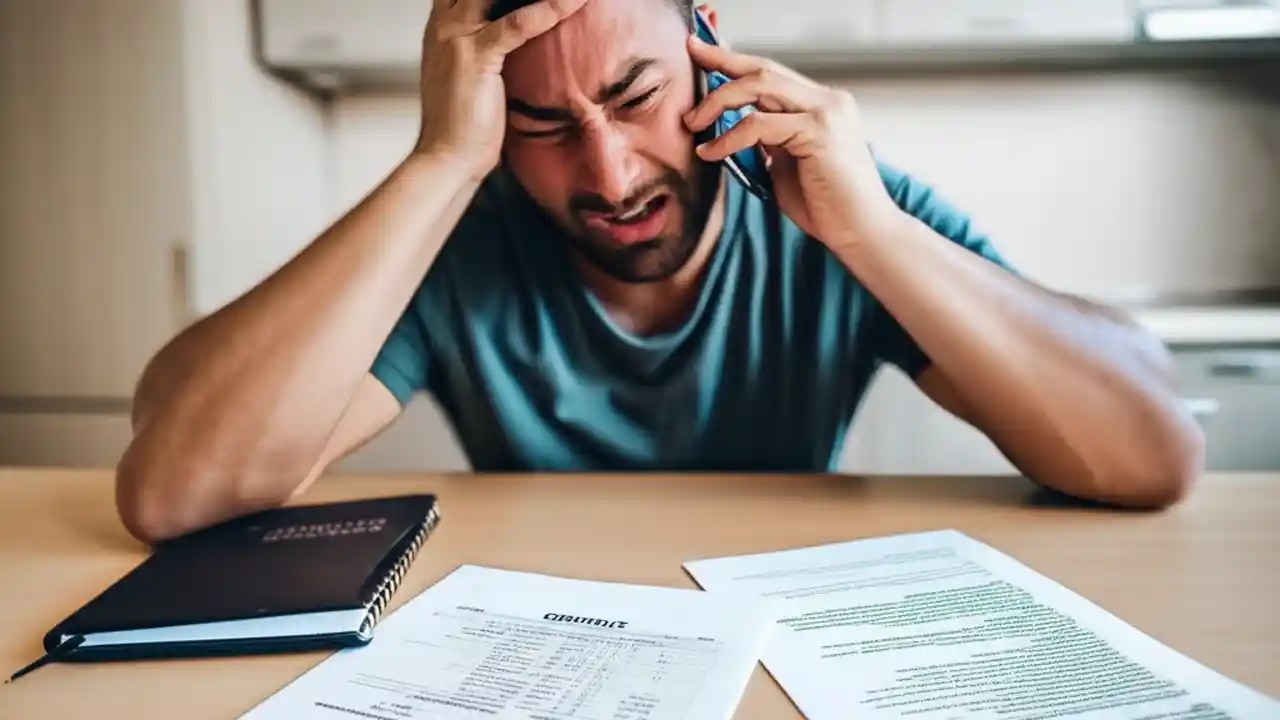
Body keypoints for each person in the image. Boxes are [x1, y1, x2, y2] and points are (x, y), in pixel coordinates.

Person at [114, 0, 1205, 543]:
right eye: (540, 125)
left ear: (707, 42)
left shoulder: (842, 211)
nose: (608, 172)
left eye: (635, 97)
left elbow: (1151, 456)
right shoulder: (460, 239)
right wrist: (440, 163)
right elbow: (175, 491)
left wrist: (872, 235)